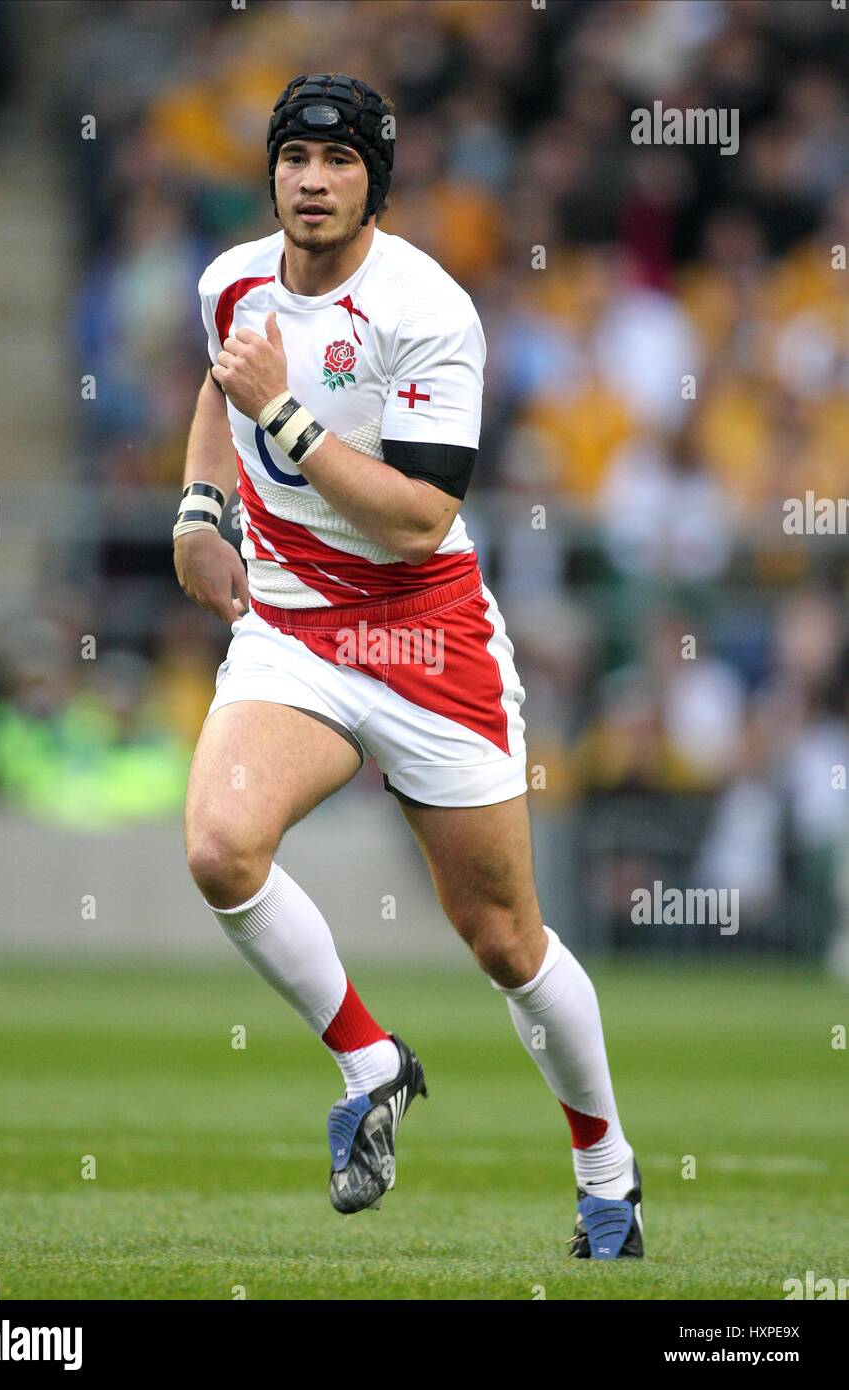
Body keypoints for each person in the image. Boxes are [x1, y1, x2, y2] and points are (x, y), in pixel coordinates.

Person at [174, 73, 642, 1257]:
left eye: (337, 162)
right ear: (271, 172)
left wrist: (283, 424)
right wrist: (197, 506)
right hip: (291, 623)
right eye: (293, 159)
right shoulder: (231, 278)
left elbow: (422, 518)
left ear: (375, 180)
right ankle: (371, 1062)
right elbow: (224, 382)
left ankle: (606, 1171)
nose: (312, 181)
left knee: (503, 938)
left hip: (425, 634)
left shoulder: (429, 307)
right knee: (222, 848)